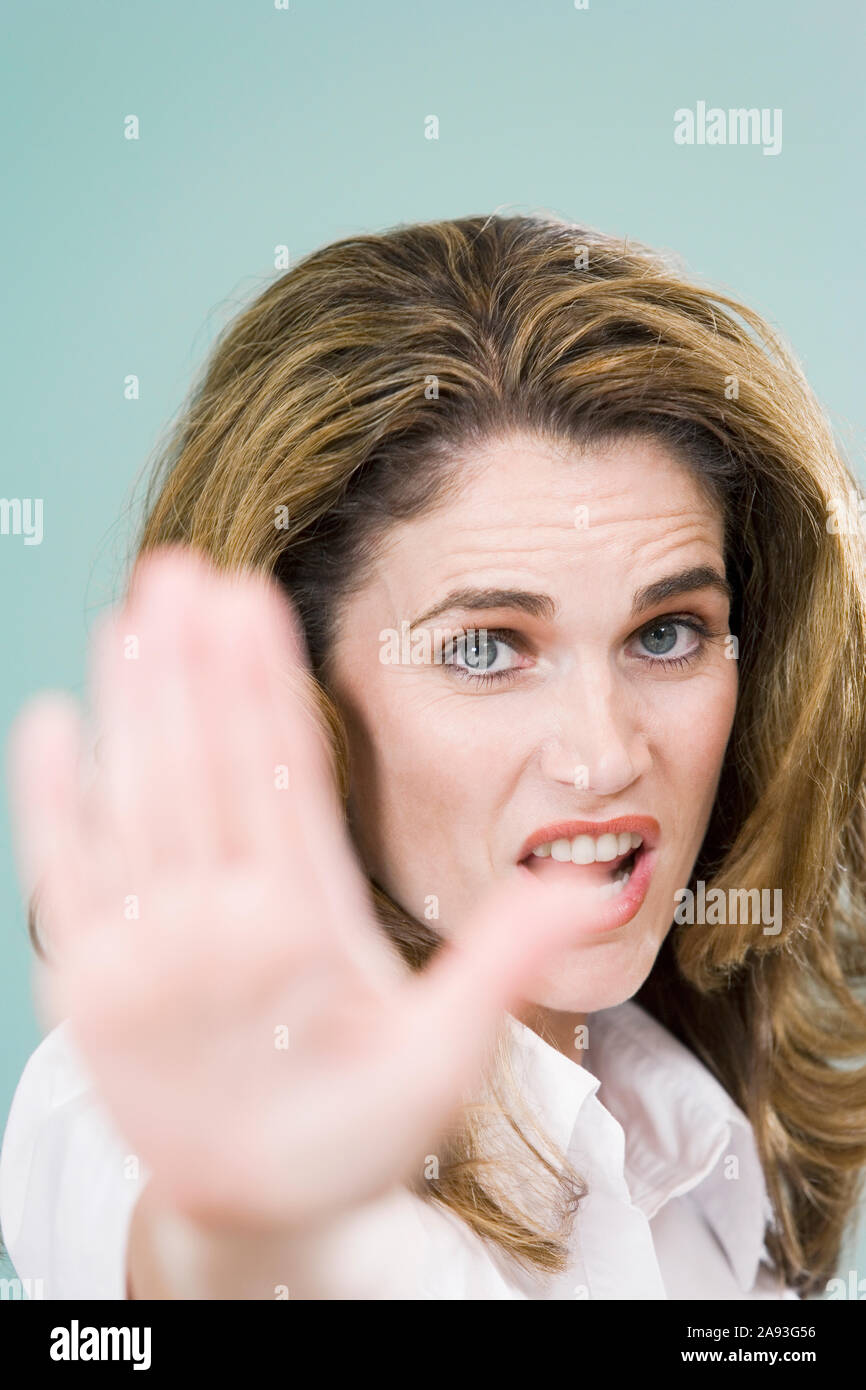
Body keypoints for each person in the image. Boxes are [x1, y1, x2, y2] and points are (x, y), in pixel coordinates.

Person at [2, 214, 865, 1300]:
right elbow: (213, 1248)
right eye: (484, 646)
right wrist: (265, 1226)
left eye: (665, 632)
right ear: (301, 692)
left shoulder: (686, 1126)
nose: (602, 755)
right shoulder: (139, 1104)